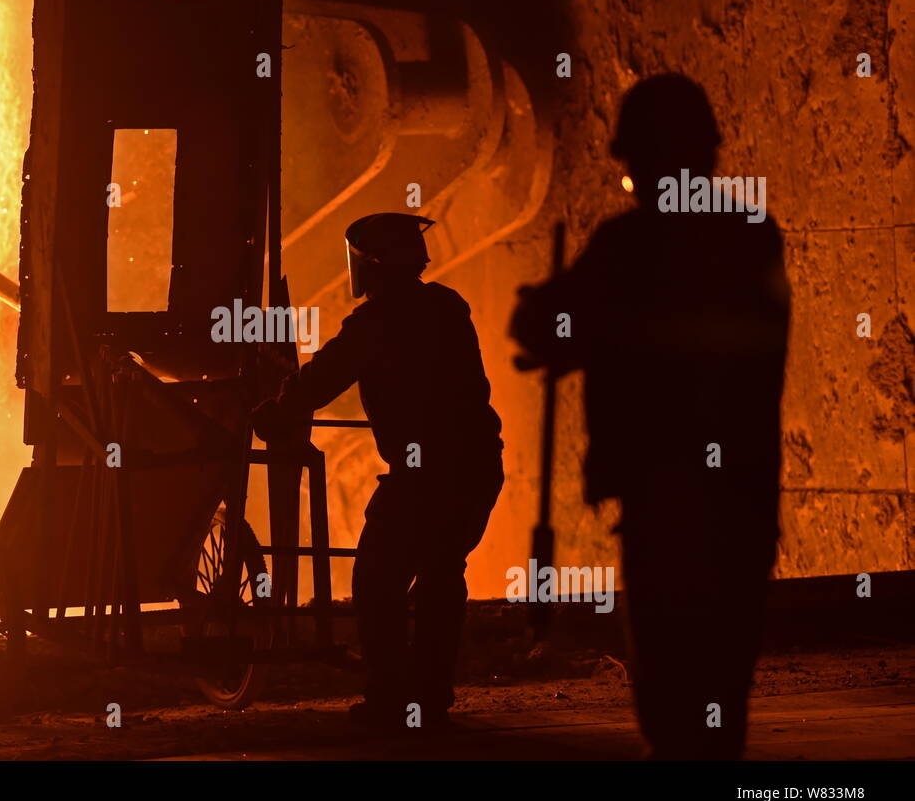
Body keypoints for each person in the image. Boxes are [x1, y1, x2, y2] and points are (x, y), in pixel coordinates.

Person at [509, 75, 790, 759]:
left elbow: (541, 322)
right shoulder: (755, 237)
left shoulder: (628, 246)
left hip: (663, 497)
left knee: (669, 692)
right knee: (722, 686)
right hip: (742, 496)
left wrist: (566, 321)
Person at [252, 212, 504, 729]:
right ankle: (428, 700)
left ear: (371, 266)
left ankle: (392, 699)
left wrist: (275, 412)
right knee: (440, 573)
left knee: (376, 579)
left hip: (427, 474)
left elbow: (321, 378)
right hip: (476, 464)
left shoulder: (377, 323)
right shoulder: (448, 307)